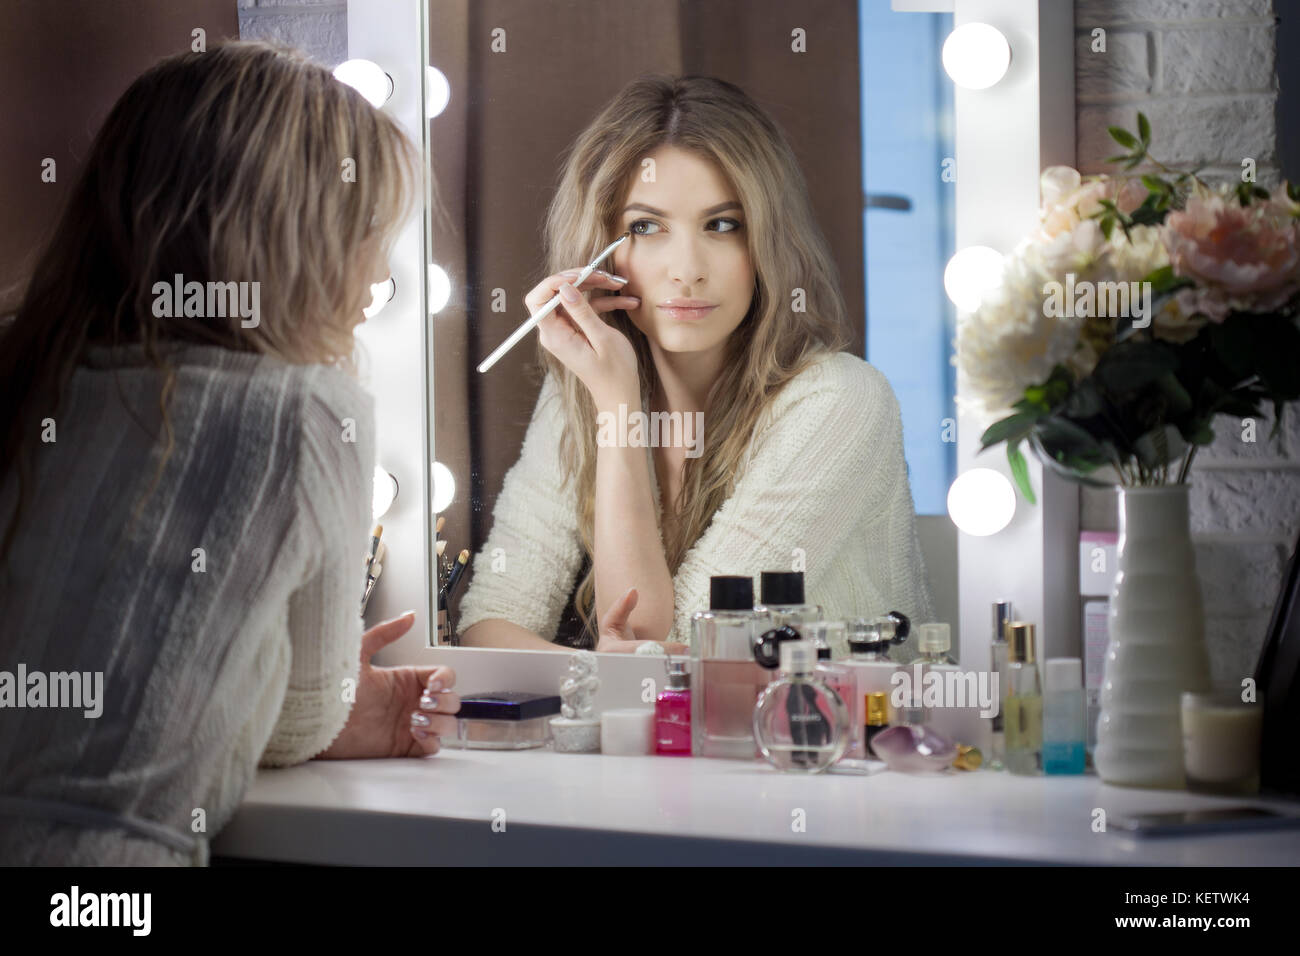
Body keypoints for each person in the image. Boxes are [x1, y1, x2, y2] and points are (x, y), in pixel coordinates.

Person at [0, 41, 460, 866]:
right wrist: (293, 686)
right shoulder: (303, 417)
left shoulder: (20, 366)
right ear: (299, 239)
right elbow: (300, 726)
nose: (377, 278)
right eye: (367, 234)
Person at [457, 75, 935, 654]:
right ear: (599, 249)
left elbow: (682, 640)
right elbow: (490, 626)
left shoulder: (841, 400)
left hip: (839, 738)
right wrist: (615, 399)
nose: (686, 268)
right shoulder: (582, 390)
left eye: (722, 225)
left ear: (766, 242)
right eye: (647, 227)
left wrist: (617, 409)